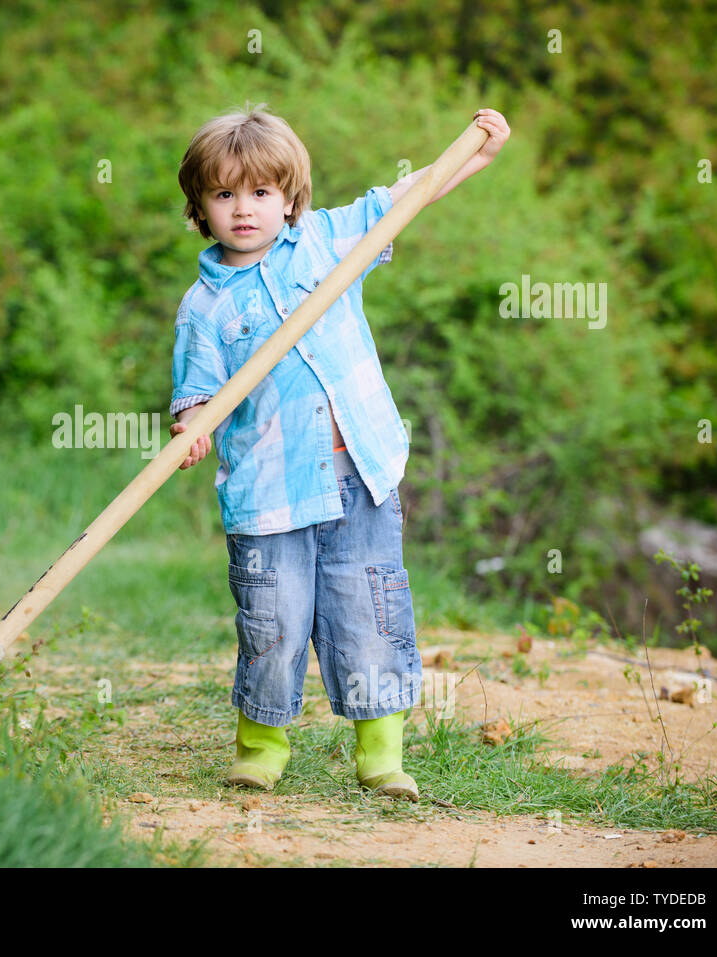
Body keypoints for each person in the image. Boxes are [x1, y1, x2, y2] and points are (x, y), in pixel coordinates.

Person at [169, 103, 509, 800]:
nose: (244, 209)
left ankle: (382, 756)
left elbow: (411, 195)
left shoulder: (328, 242)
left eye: (261, 193)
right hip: (271, 490)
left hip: (362, 472)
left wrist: (479, 153)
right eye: (224, 194)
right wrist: (195, 423)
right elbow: (196, 392)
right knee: (274, 617)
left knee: (369, 611)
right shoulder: (203, 306)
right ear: (199, 206)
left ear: (289, 198)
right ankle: (261, 747)